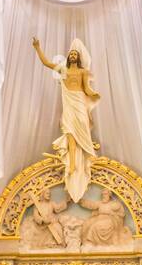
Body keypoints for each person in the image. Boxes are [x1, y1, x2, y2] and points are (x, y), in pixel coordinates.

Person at [32, 36, 100, 202]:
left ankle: (86, 155)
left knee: (82, 128)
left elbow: (86, 89)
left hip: (79, 103)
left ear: (79, 57)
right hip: (69, 104)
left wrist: (94, 95)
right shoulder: (63, 70)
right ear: (68, 57)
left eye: (75, 54)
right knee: (69, 132)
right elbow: (47, 63)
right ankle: (71, 165)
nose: (73, 56)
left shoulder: (83, 72)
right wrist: (37, 48)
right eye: (71, 54)